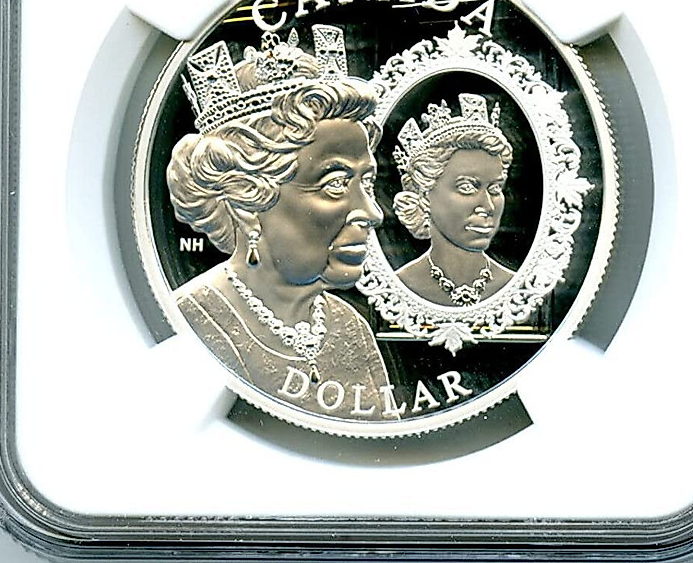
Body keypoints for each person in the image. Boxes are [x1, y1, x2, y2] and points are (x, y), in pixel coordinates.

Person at [166, 24, 395, 420]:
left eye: (368, 182)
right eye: (335, 184)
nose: (373, 213)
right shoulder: (186, 326)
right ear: (247, 205)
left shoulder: (350, 328)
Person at [392, 95, 516, 306]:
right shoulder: (399, 287)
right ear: (425, 195)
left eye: (495, 188)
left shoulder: (516, 286)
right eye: (467, 187)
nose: (488, 206)